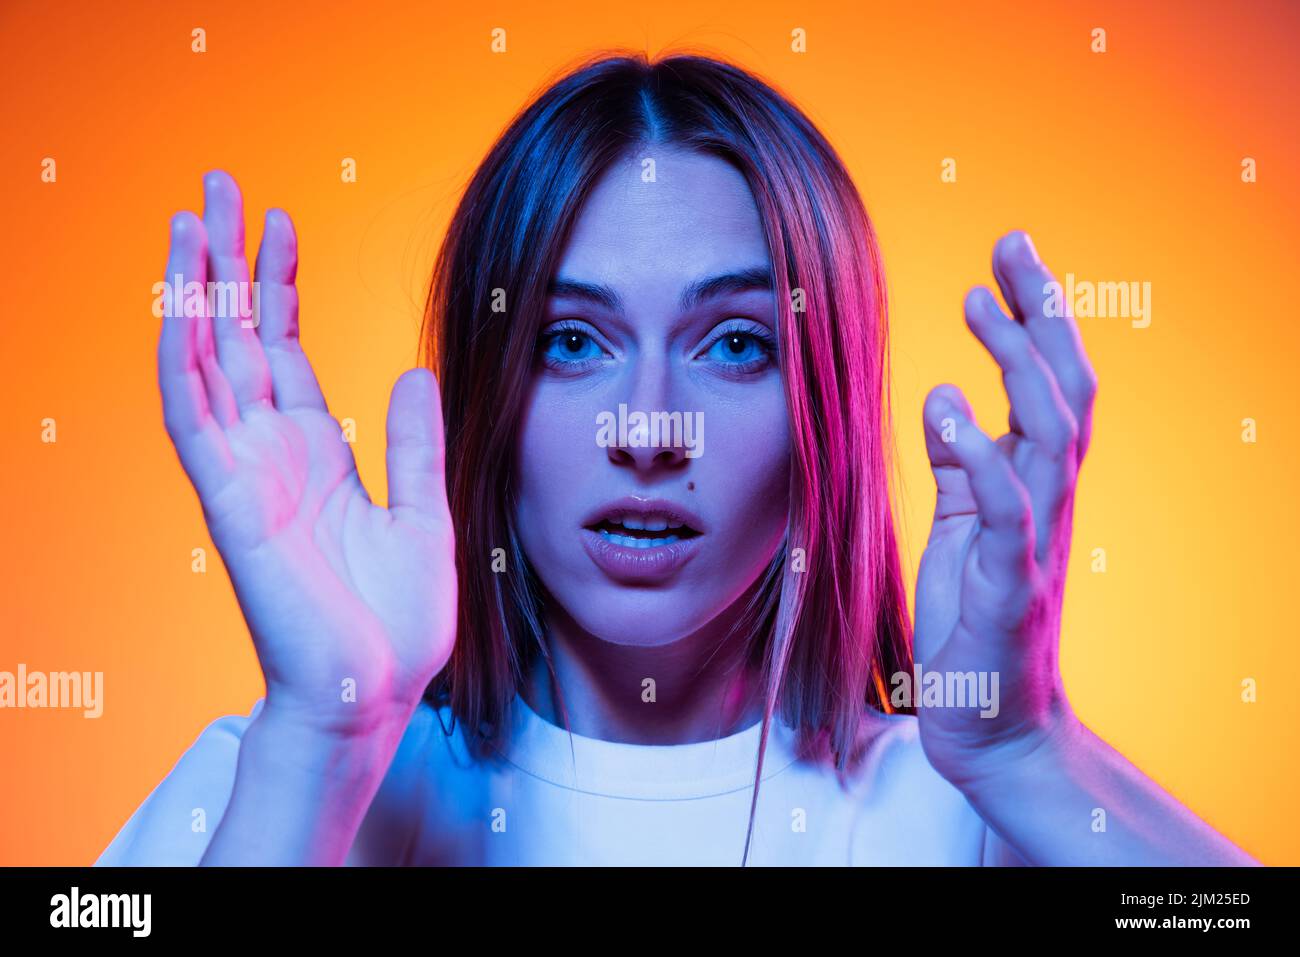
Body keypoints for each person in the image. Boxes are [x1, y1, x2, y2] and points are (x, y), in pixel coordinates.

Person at [97, 52, 1258, 866]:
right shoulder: (277, 774)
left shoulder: (980, 811)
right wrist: (324, 736)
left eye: (737, 344)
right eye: (570, 341)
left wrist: (1026, 751)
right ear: (488, 391)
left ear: (825, 413)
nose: (649, 428)